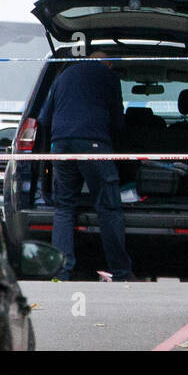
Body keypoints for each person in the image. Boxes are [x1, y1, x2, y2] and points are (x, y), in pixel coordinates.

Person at [43, 47, 135, 281]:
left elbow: (44, 117)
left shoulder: (63, 75)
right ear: (109, 64)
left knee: (63, 207)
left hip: (60, 144)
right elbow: (118, 121)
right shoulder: (108, 76)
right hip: (93, 143)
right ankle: (121, 272)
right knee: (108, 206)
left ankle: (60, 272)